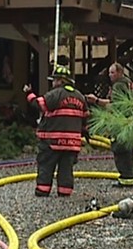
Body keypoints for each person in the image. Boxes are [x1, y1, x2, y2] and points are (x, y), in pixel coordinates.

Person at [25, 63, 88, 197]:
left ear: (60, 80)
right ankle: (64, 191)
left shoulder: (55, 94)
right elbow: (85, 119)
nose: (53, 82)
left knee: (46, 165)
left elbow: (38, 104)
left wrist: (29, 94)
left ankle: (43, 190)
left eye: (54, 80)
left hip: (52, 141)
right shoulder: (80, 97)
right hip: (72, 143)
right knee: (66, 168)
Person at [89, 62, 133, 188]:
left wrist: (96, 101)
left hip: (120, 122)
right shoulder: (129, 83)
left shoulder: (118, 86)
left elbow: (114, 106)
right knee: (130, 150)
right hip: (131, 121)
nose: (110, 75)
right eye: (109, 72)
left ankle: (125, 179)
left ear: (120, 72)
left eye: (112, 72)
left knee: (120, 150)